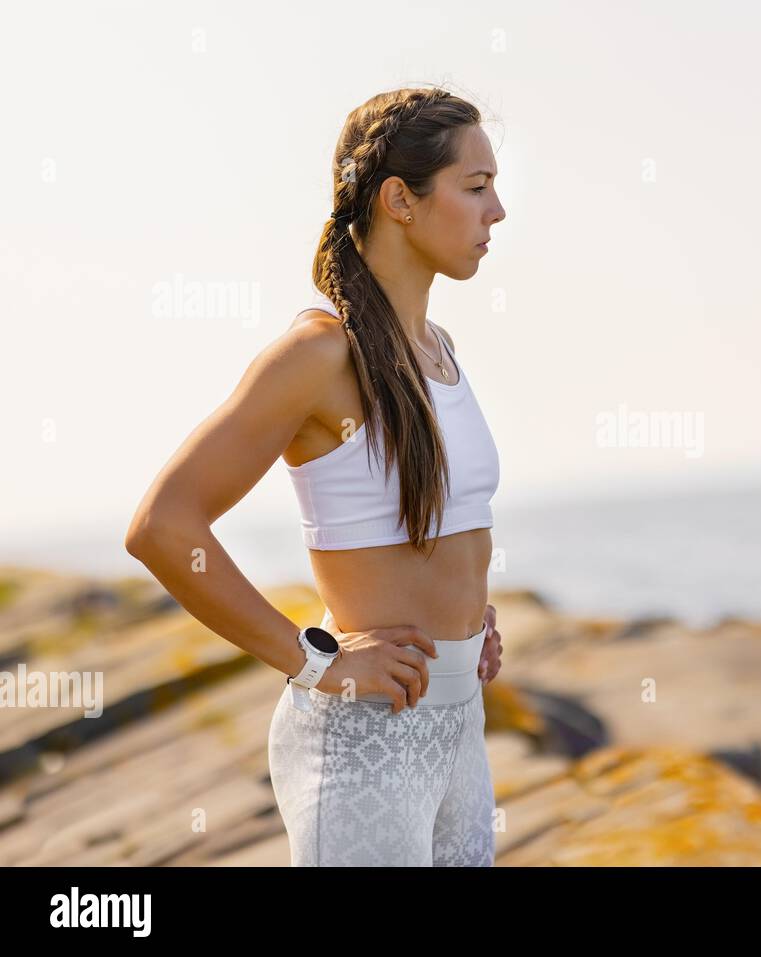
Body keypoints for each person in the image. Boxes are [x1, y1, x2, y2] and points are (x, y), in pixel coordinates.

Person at [125, 84, 508, 866]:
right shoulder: (318, 355)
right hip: (367, 742)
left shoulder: (438, 349)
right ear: (401, 199)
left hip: (460, 729)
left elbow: (428, 532)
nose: (496, 211)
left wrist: (471, 624)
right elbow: (163, 527)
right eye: (476, 188)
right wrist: (316, 660)